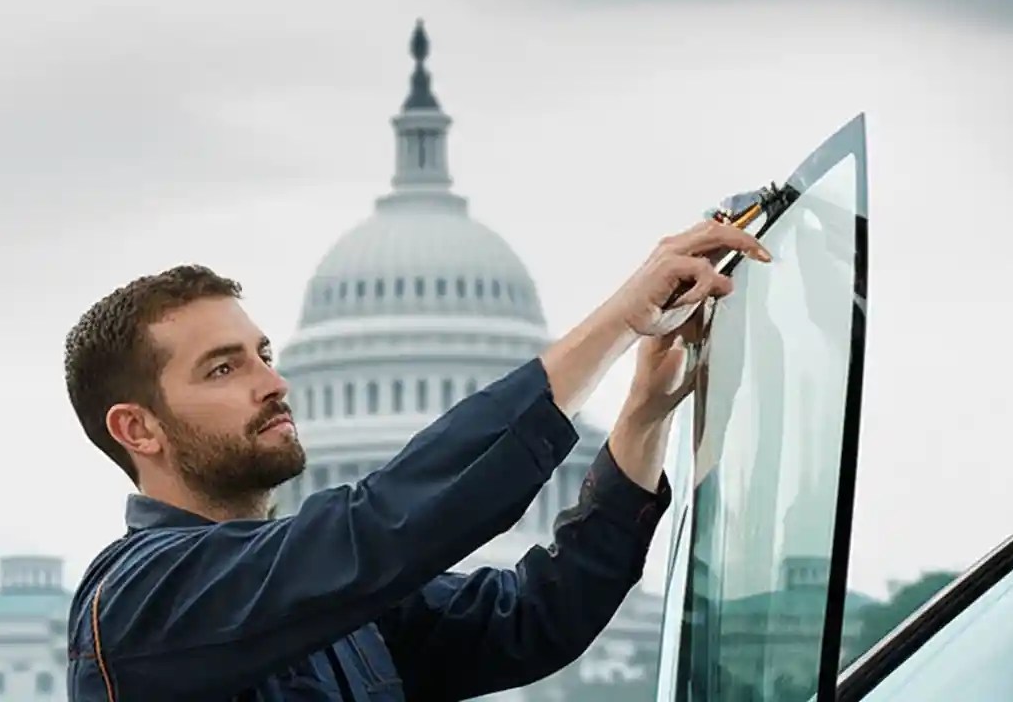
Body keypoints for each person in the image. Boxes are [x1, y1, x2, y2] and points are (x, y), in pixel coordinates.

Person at [62, 219, 771, 701]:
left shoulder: (333, 595)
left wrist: (641, 417)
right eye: (222, 370)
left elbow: (531, 618)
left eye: (265, 355)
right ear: (138, 429)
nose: (273, 382)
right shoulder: (139, 603)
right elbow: (381, 528)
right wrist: (618, 321)